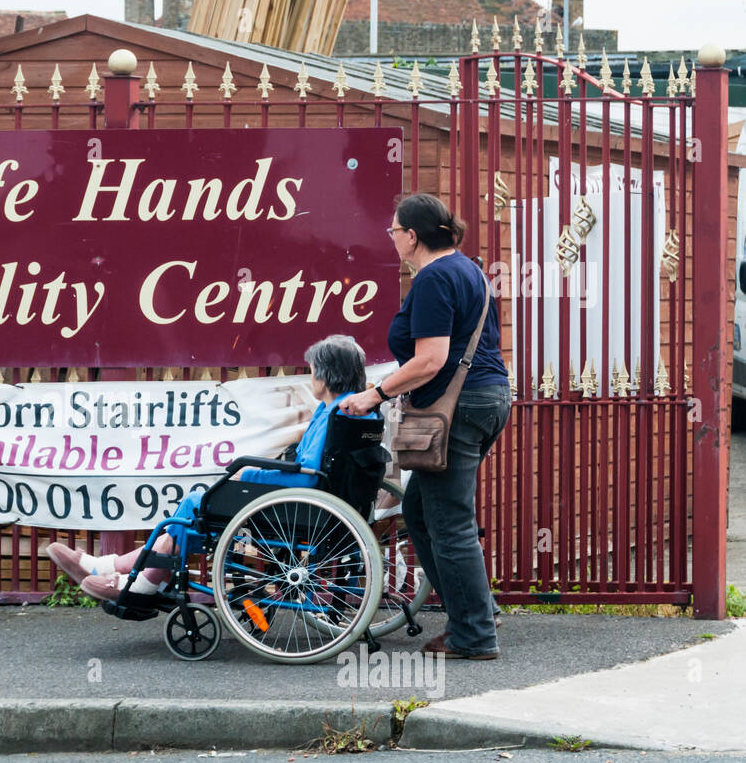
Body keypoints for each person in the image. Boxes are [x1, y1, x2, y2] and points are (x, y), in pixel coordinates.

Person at [47, 335, 378, 602]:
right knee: (197, 513)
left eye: (312, 370)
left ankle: (138, 579)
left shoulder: (337, 413)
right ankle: (116, 570)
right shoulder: (356, 410)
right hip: (322, 504)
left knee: (196, 505)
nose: (311, 377)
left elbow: (307, 474)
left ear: (327, 373)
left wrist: (248, 475)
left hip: (301, 506)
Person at [340, 193, 510, 659]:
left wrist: (376, 393)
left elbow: (431, 359)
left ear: (412, 236)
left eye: (394, 231)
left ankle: (473, 634)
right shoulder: (469, 269)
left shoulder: (435, 278)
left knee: (448, 520)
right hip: (487, 399)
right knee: (420, 512)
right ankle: (477, 609)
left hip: (457, 407)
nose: (392, 238)